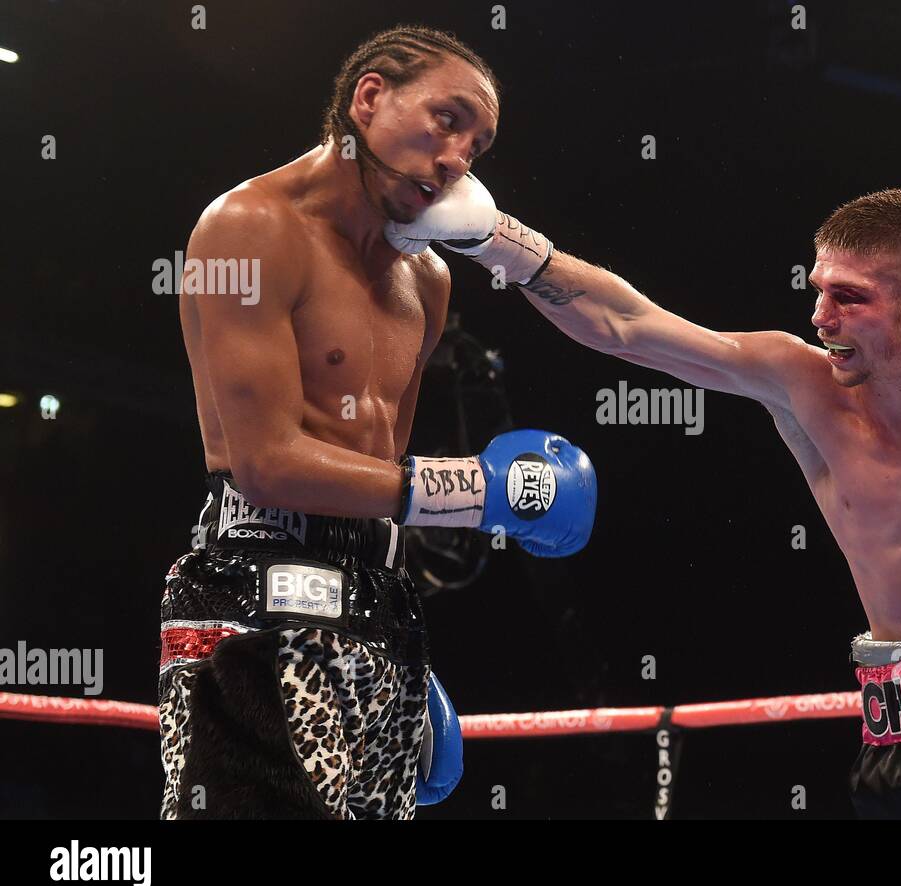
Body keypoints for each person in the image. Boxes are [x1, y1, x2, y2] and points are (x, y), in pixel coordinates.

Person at [387, 181, 901, 819]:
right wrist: (498, 240)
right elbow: (629, 326)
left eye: (848, 299)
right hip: (894, 720)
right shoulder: (803, 387)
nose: (820, 318)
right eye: (818, 290)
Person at [160, 25, 596, 820]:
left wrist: (391, 625)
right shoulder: (250, 228)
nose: (461, 155)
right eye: (447, 119)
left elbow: (379, 475)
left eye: (479, 141)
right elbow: (267, 464)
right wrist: (478, 491)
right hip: (254, 588)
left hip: (376, 598)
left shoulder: (427, 280)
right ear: (368, 98)